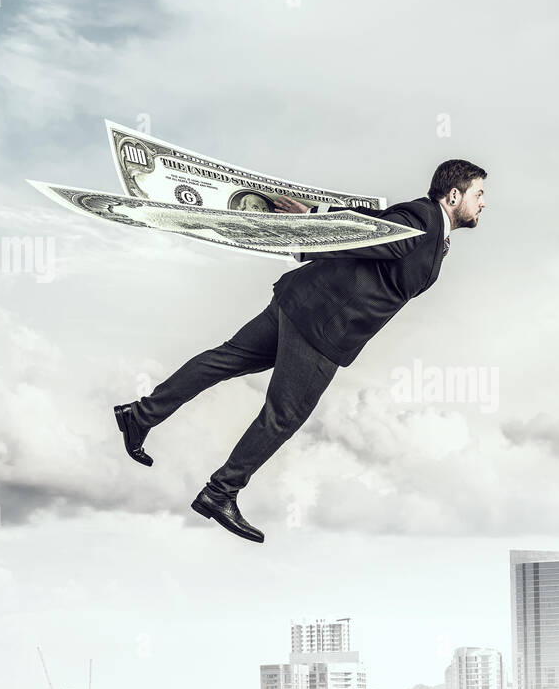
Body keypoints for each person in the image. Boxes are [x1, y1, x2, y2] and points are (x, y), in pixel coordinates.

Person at [113, 159, 487, 543]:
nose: (483, 203)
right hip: (322, 325)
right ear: (454, 195)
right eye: (479, 194)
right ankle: (219, 492)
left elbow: (372, 223)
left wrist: (314, 216)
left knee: (226, 359)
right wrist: (307, 237)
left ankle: (140, 415)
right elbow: (372, 237)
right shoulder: (423, 218)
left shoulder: (426, 226)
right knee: (283, 416)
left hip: (300, 302)